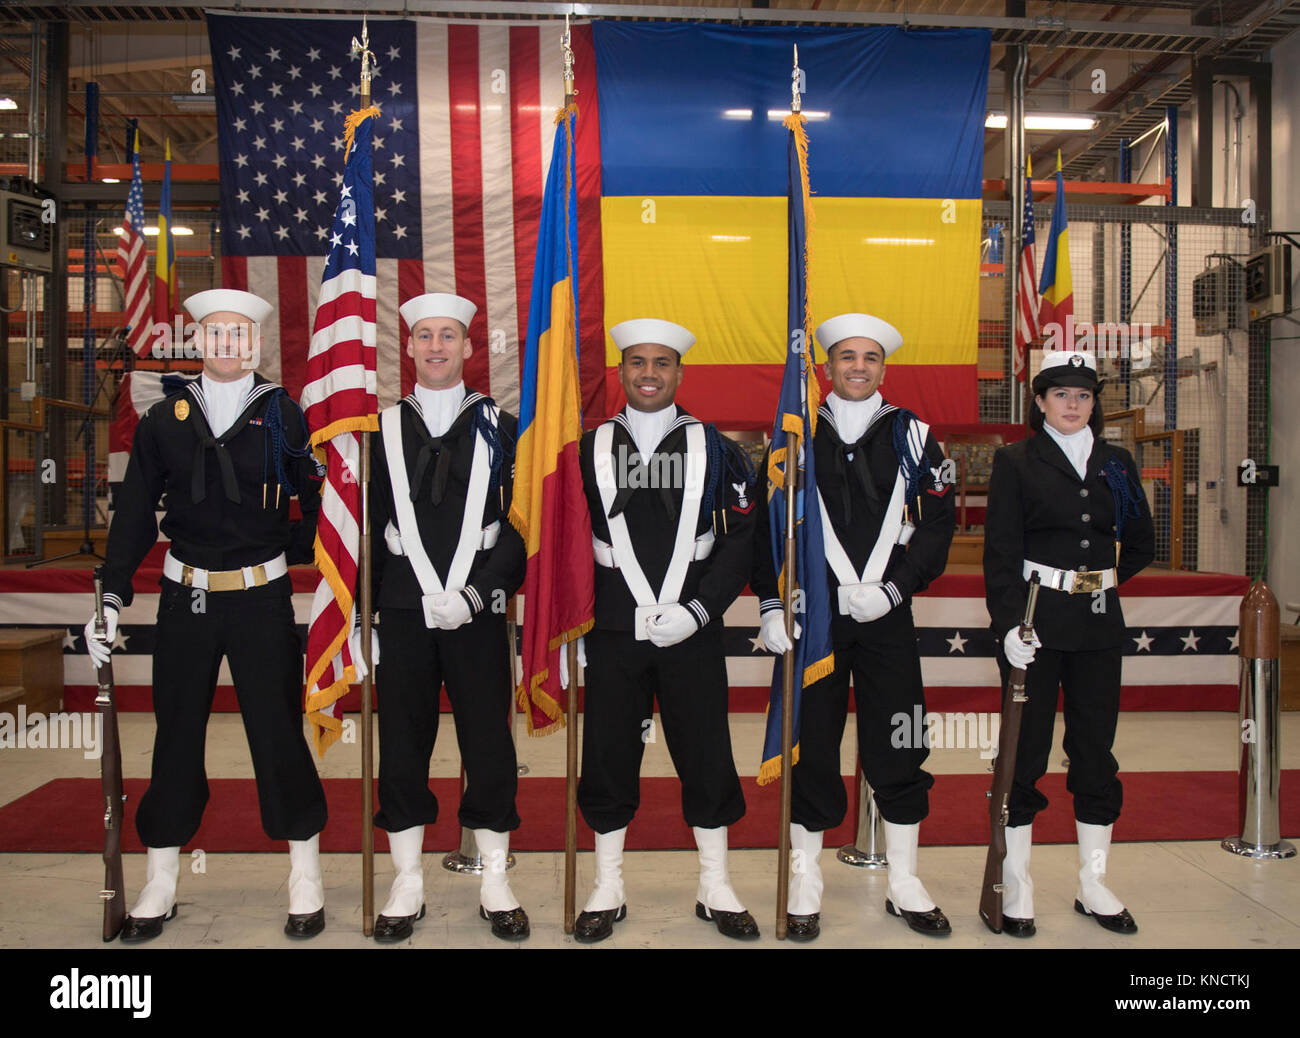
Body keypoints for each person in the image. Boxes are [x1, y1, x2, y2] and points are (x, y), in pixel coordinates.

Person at [85, 289, 329, 941]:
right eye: (215, 332)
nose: (228, 343)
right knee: (177, 732)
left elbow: (314, 495)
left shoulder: (283, 414)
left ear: (255, 343)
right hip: (185, 594)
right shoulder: (166, 418)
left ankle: (305, 873)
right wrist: (111, 595)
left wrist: (301, 554)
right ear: (197, 340)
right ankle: (162, 876)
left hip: (260, 594)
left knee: (277, 732)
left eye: (240, 333)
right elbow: (136, 511)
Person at [752, 312, 956, 940]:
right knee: (811, 743)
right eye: (846, 357)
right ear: (827, 365)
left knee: (901, 739)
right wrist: (769, 602)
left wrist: (896, 588)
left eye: (870, 358)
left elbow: (940, 526)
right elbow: (768, 529)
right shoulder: (794, 434)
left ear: (884, 368)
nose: (858, 367)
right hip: (815, 621)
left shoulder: (914, 436)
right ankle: (807, 878)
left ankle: (904, 878)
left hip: (888, 619)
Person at [569, 318, 759, 943]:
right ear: (620, 372)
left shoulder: (719, 448)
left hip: (692, 623)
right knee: (607, 752)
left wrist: (699, 611)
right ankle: (608, 884)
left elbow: (739, 545)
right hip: (613, 623)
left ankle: (715, 883)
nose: (649, 373)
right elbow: (566, 546)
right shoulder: (586, 448)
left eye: (662, 363)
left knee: (705, 751)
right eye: (637, 362)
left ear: (680, 373)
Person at [367, 292, 528, 942]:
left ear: (468, 347)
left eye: (448, 336)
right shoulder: (377, 430)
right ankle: (406, 881)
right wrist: (365, 618)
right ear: (407, 348)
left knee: (489, 744)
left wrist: (478, 590)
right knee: (402, 745)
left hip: (478, 613)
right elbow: (358, 533)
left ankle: (495, 877)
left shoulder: (504, 426)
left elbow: (520, 528)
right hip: (403, 614)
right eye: (424, 336)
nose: (435, 346)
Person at [983, 349, 1154, 937]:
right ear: (1039, 403)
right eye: (1062, 395)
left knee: (1095, 753)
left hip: (1099, 624)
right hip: (1034, 622)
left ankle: (1093, 882)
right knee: (1025, 754)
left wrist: (1093, 585)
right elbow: (1000, 554)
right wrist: (1008, 627)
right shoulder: (1016, 461)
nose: (1074, 405)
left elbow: (1139, 544)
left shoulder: (1117, 464)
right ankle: (1019, 883)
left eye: (1084, 396)